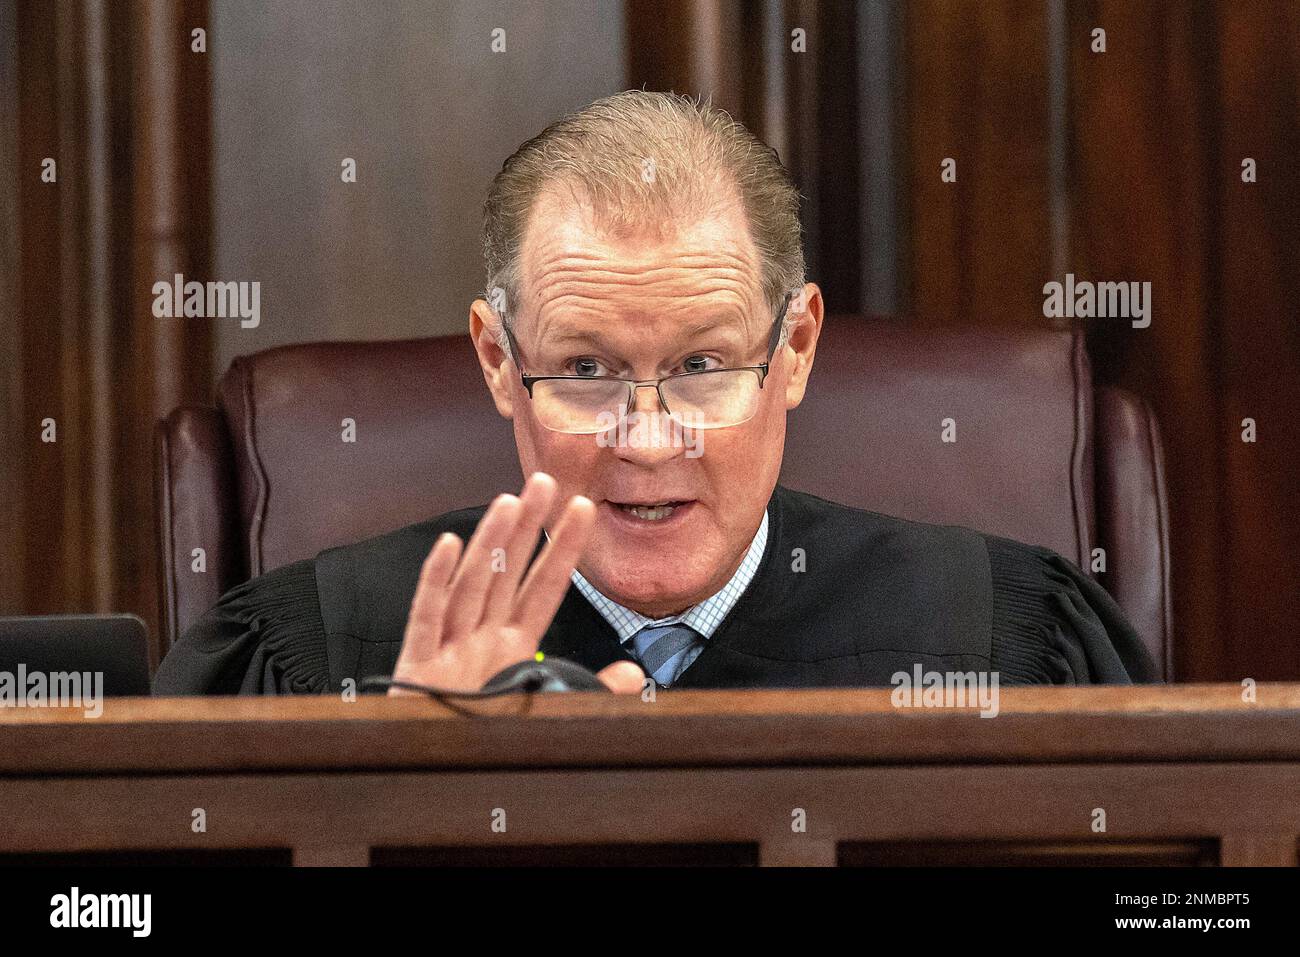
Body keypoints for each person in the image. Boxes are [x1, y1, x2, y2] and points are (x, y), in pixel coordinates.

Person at [153, 91, 1155, 696]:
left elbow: (1182, 908)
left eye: (702, 366)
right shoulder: (312, 655)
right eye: (584, 371)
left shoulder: (1001, 638)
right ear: (498, 361)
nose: (645, 438)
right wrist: (393, 791)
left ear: (796, 346)